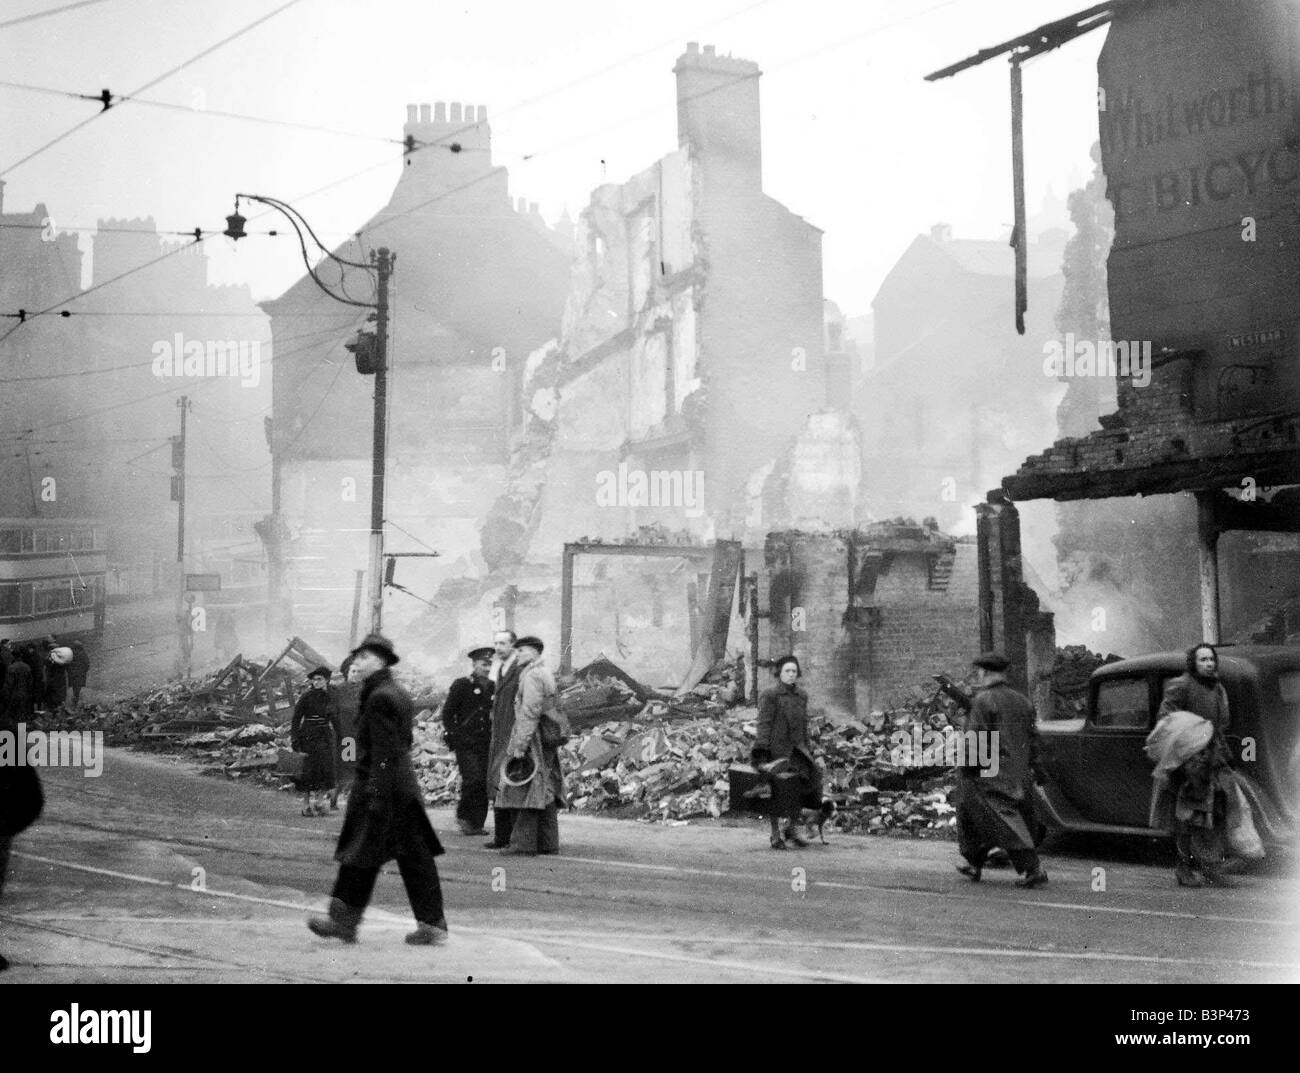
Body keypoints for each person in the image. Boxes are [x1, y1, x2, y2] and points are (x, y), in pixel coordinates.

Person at [307, 634, 448, 946]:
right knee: (412, 857)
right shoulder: (394, 692)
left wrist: (375, 794)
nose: (359, 662)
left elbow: (385, 752)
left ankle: (343, 922)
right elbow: (403, 745)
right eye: (358, 657)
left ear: (382, 661)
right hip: (401, 788)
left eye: (366, 657)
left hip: (383, 789)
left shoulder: (380, 697)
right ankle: (432, 924)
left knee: (360, 854)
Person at [954, 652, 1048, 888]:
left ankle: (1032, 868)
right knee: (973, 813)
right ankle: (973, 863)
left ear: (984, 673)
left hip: (992, 772)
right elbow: (1034, 739)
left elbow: (976, 739)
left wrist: (968, 770)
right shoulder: (1022, 701)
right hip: (1018, 772)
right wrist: (1038, 770)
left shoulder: (984, 701)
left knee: (995, 816)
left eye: (980, 672)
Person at [1148, 643, 1236, 887]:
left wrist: (1220, 751)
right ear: (1193, 663)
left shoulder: (1217, 688)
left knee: (1214, 814)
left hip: (1213, 759)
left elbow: (1222, 723)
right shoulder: (1181, 685)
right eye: (1203, 660)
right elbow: (1167, 719)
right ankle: (1183, 868)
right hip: (1188, 762)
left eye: (1211, 659)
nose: (1209, 664)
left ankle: (1210, 866)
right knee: (1187, 819)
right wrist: (1188, 749)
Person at [496, 636, 565, 855]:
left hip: (533, 737)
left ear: (535, 653)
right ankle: (547, 842)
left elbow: (530, 712)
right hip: (546, 738)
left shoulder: (532, 675)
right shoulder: (543, 673)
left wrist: (520, 745)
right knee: (545, 787)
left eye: (522, 651)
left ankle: (522, 844)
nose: (519, 655)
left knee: (526, 787)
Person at [753, 656, 822, 849]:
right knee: (776, 792)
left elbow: (803, 724)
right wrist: (762, 752)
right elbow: (764, 724)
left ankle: (791, 829)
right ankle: (775, 835)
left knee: (800, 789)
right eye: (787, 671)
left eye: (794, 671)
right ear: (779, 674)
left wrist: (807, 747)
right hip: (777, 750)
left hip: (798, 751)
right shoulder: (770, 695)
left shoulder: (802, 695)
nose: (791, 675)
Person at [442, 647, 495, 835]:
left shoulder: (493, 687)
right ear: (474, 664)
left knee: (483, 782)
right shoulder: (462, 685)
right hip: (465, 743)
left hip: (484, 743)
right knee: (472, 779)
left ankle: (477, 824)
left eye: (489, 664)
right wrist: (455, 736)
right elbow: (447, 714)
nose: (487, 668)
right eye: (483, 664)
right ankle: (464, 817)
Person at [484, 629, 523, 848]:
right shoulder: (501, 669)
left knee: (508, 782)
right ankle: (501, 836)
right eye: (496, 643)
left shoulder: (519, 669)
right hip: (498, 733)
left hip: (511, 733)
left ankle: (510, 837)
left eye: (503, 643)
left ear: (513, 646)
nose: (498, 648)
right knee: (498, 783)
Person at [291, 666, 340, 817]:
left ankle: (319, 802)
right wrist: (295, 739)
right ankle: (306, 805)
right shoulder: (306, 697)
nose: (316, 682)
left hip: (325, 735)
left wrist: (342, 737)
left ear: (327, 680)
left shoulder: (331, 696)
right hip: (308, 735)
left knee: (326, 768)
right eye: (314, 679)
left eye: (320, 679)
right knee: (307, 770)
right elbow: (296, 719)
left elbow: (336, 719)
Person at [66, 641, 90, 710]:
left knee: (74, 688)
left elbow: (67, 664)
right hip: (80, 675)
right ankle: (75, 703)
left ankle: (74, 702)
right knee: (77, 689)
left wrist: (70, 672)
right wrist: (83, 672)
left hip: (72, 675)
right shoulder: (83, 653)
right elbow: (87, 664)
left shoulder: (71, 653)